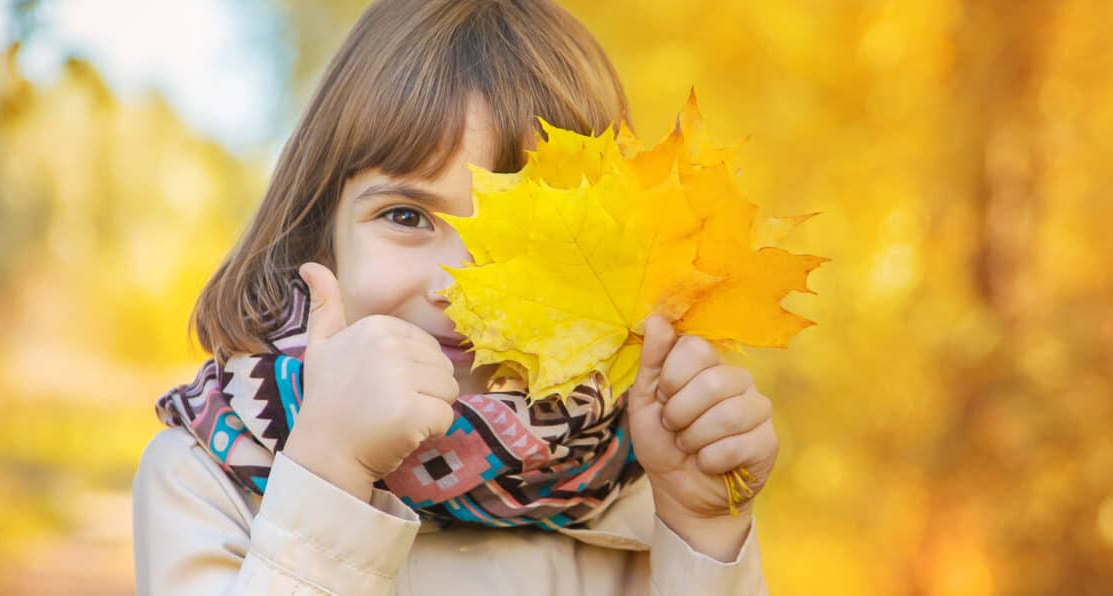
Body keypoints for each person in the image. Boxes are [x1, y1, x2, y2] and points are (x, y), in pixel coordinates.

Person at [133, 1, 778, 593]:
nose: (454, 289)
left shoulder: (642, 482)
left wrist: (702, 536)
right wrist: (327, 475)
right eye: (407, 217)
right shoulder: (204, 477)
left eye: (520, 239)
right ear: (320, 234)